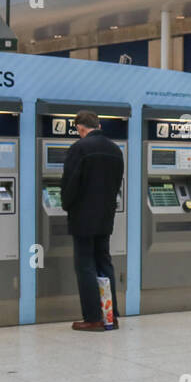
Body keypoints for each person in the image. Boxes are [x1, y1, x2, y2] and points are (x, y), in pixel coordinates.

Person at [61, 110, 123, 331]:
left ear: (80, 128)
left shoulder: (79, 148)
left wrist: (66, 204)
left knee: (85, 264)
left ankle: (93, 318)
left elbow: (70, 184)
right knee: (104, 262)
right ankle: (110, 316)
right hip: (106, 216)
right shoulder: (116, 150)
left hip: (83, 217)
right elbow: (117, 185)